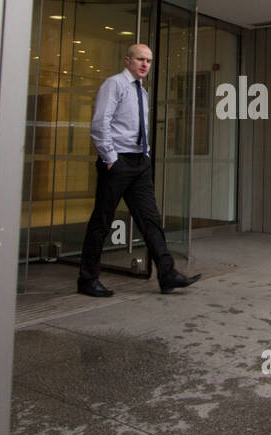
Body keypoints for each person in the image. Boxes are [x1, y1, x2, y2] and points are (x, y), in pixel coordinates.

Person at [77, 44, 201, 297]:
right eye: (140, 59)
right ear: (128, 60)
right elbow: (101, 123)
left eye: (149, 60)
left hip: (139, 163)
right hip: (118, 162)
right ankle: (87, 280)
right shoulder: (114, 85)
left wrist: (144, 155)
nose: (145, 64)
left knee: (150, 220)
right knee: (102, 221)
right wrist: (111, 159)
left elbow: (138, 128)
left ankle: (167, 274)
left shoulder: (142, 93)